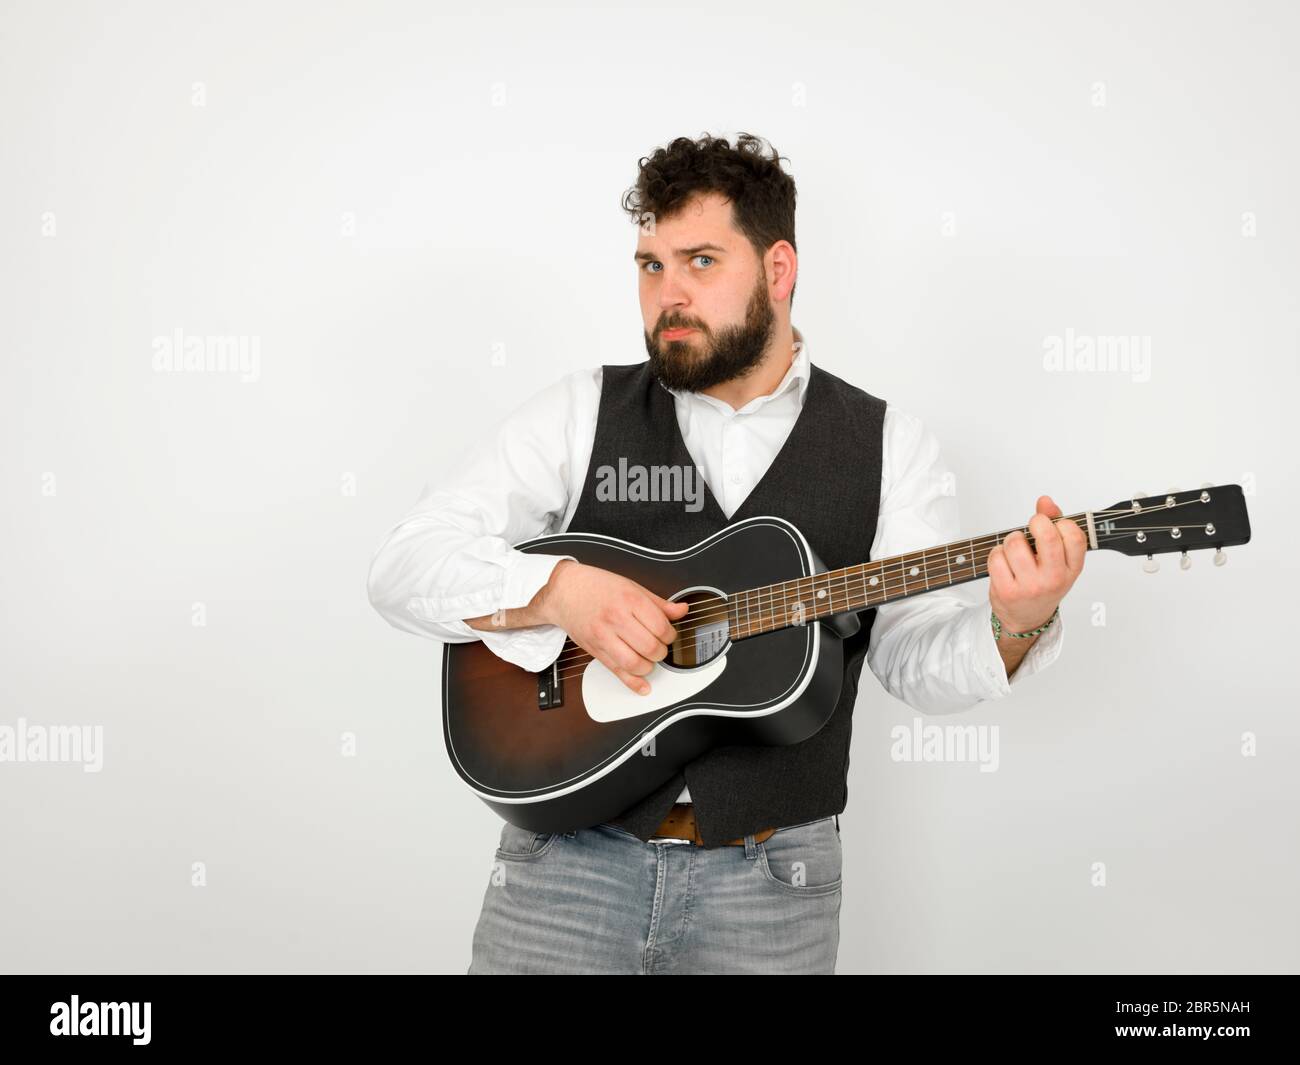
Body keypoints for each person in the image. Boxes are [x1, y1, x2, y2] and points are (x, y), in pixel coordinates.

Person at [366, 132, 1087, 974]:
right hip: (563, 870)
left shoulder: (890, 444)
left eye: (700, 261)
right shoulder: (580, 411)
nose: (667, 295)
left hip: (774, 889)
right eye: (649, 265)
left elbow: (911, 658)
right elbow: (403, 566)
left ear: (778, 270)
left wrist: (1017, 623)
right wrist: (558, 592)